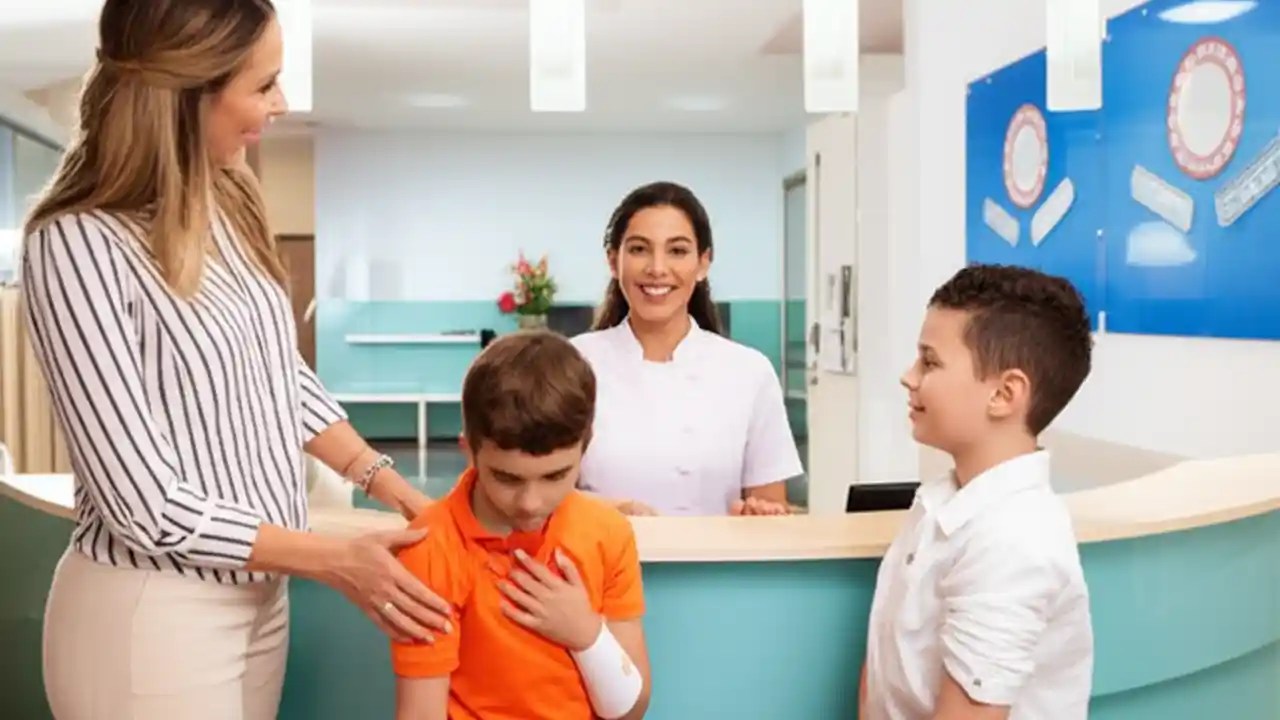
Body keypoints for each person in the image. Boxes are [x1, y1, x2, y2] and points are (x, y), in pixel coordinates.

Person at [21, 2, 450, 717]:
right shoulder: (78, 244)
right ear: (187, 91)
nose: (280, 105)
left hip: (259, 595)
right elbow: (143, 505)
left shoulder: (229, 199)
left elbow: (278, 375)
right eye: (264, 85)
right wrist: (335, 559)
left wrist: (387, 481)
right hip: (154, 611)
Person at [860, 264, 1095, 720]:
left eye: (929, 361)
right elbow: (885, 670)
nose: (909, 377)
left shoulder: (1015, 540)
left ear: (1004, 394)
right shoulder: (943, 500)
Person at [392, 330, 651, 720]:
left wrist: (587, 635)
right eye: (507, 478)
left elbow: (632, 710)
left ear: (586, 446)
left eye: (555, 476)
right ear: (470, 451)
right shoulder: (431, 546)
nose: (531, 503)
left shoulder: (608, 534)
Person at [571, 181, 803, 517]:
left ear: (703, 263)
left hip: (714, 566)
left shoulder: (749, 372)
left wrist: (759, 514)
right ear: (613, 261)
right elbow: (536, 497)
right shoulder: (573, 364)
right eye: (639, 249)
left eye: (677, 251)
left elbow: (770, 508)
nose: (657, 268)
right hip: (595, 565)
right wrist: (617, 509)